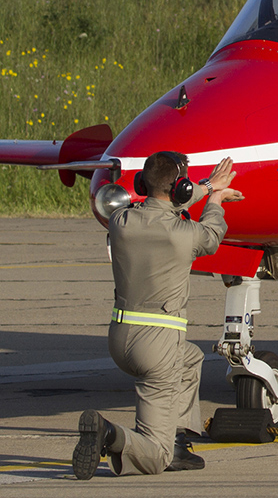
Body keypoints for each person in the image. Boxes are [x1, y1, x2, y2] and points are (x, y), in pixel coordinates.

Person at [72, 152, 244, 479]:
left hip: (120, 338)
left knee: (191, 359)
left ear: (142, 183)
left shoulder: (121, 221)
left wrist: (207, 187)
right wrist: (216, 199)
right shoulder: (185, 233)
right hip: (158, 346)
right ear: (180, 188)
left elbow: (163, 204)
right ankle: (111, 434)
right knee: (156, 458)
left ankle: (177, 440)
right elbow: (212, 236)